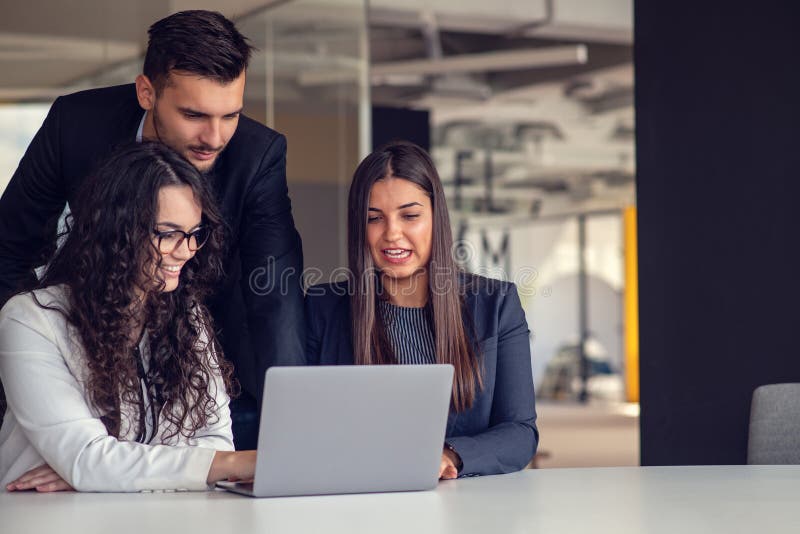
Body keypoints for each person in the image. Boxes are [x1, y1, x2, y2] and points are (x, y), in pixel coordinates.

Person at [0, 10, 304, 449]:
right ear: (147, 92)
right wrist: (37, 358)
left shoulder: (257, 154)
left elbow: (276, 291)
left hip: (206, 363)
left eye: (231, 115)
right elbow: (9, 251)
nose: (215, 137)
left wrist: (293, 417)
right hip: (88, 350)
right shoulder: (77, 124)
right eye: (194, 114)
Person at [0, 143, 256, 492]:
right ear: (116, 230)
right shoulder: (30, 321)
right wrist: (93, 469)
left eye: (195, 233)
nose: (187, 250)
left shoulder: (186, 315)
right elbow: (87, 459)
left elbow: (217, 441)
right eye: (168, 234)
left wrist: (106, 471)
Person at [305, 141, 538, 479]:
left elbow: (520, 433)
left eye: (410, 216)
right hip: (359, 500)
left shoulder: (496, 304)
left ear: (435, 218)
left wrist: (449, 456)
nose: (392, 234)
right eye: (374, 219)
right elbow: (308, 428)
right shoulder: (323, 308)